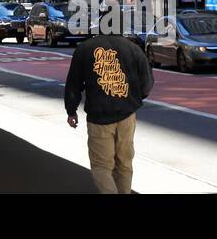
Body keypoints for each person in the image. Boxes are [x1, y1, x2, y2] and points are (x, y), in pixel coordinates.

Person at [64, 22, 153, 194]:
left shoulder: (85, 49)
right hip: (127, 115)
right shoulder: (133, 49)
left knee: (101, 166)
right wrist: (134, 98)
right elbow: (147, 83)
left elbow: (73, 83)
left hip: (99, 117)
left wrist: (71, 110)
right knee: (124, 164)